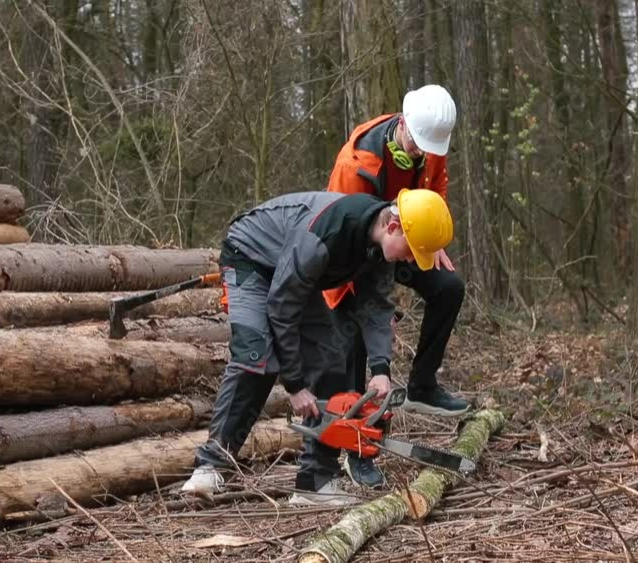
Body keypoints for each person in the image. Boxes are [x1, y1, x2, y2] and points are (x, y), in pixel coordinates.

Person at [179, 188, 453, 505]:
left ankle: (315, 483)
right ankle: (210, 466)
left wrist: (380, 369)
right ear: (393, 226)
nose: (409, 259)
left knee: (333, 358)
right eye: (411, 250)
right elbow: (282, 308)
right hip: (252, 261)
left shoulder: (377, 248)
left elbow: (376, 308)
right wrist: (295, 385)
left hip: (295, 275)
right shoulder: (327, 234)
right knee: (257, 357)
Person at [325, 84, 468, 489]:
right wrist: (378, 333)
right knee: (358, 338)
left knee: (448, 287)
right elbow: (345, 232)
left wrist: (432, 240)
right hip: (352, 256)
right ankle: (356, 448)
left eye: (429, 149)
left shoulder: (430, 144)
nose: (422, 154)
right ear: (402, 122)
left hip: (404, 243)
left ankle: (423, 383)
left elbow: (436, 188)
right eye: (417, 145)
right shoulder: (358, 166)